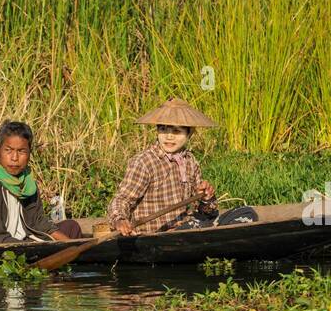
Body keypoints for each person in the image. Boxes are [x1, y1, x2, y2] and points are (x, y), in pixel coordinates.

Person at [107, 97, 254, 235]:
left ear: (189, 134)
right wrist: (120, 220)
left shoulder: (190, 161)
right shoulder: (144, 162)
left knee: (246, 212)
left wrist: (207, 198)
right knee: (198, 227)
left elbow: (206, 212)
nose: (169, 136)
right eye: (163, 130)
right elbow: (122, 200)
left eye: (176, 131)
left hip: (186, 226)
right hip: (157, 233)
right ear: (157, 131)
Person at [0, 120, 82, 245]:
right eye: (8, 150)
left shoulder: (26, 182)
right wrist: (33, 247)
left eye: (21, 151)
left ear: (29, 152)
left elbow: (38, 222)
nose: (14, 158)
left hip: (23, 240)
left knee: (71, 227)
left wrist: (73, 244)